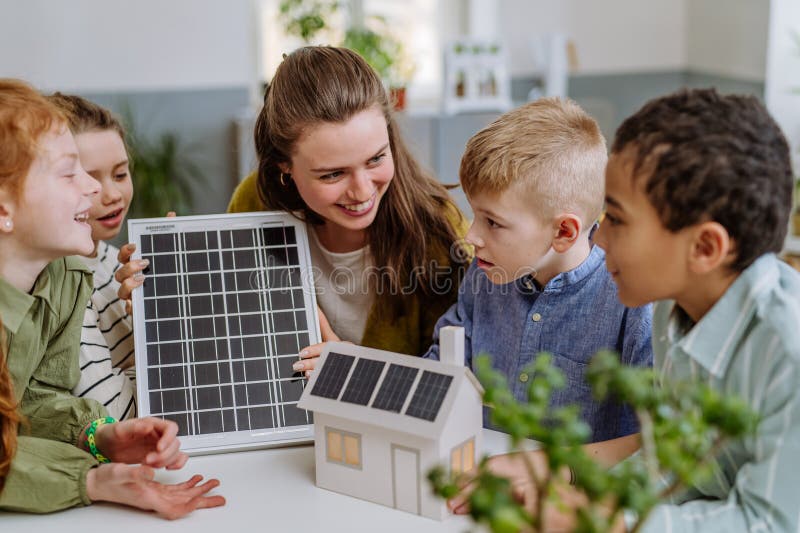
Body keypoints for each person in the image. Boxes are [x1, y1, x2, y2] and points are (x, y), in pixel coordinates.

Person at [118, 46, 469, 366]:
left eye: (376, 158)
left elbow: (456, 376)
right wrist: (167, 307)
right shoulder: (253, 204)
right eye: (333, 174)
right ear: (285, 167)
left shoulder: (438, 228)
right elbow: (234, 334)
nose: (362, 190)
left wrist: (358, 373)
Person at [0, 78, 224, 516]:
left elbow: (35, 398)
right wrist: (89, 479)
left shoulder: (65, 276)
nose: (96, 189)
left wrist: (98, 436)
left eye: (119, 173)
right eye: (70, 173)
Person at [590, 88, 800, 532]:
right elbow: (674, 463)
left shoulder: (788, 353)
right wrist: (597, 500)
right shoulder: (675, 307)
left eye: (617, 219)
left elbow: (771, 524)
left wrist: (617, 522)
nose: (599, 239)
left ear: (704, 247)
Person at [424, 98, 652, 446]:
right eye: (474, 214)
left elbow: (650, 440)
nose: (471, 237)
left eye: (493, 222)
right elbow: (441, 367)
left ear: (563, 232)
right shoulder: (486, 271)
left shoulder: (632, 300)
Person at [48, 93, 136, 420]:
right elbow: (114, 416)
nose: (112, 195)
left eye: (120, 174)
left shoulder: (114, 260)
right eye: (87, 178)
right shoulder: (65, 284)